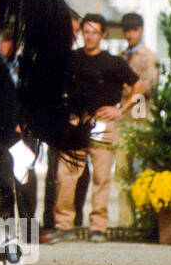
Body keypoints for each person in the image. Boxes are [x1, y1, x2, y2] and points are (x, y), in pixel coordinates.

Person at [44, 14, 139, 243]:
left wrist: (120, 109)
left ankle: (98, 226)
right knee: (65, 174)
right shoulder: (71, 59)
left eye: (94, 32)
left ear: (103, 35)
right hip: (76, 122)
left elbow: (139, 86)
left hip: (102, 123)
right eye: (86, 31)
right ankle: (65, 224)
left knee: (101, 176)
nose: (89, 36)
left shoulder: (114, 63)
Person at [0, 29, 39, 231]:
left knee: (26, 179)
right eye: (7, 40)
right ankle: (4, 228)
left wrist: (29, 122)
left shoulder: (27, 66)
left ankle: (29, 227)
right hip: (0, 134)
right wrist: (12, 123)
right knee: (1, 181)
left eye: (15, 41)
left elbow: (35, 97)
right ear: (0, 41)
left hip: (26, 134)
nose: (10, 45)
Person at [114, 12, 158, 227]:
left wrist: (125, 103)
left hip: (141, 121)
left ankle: (146, 221)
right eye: (127, 29)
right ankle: (126, 222)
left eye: (134, 29)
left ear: (141, 30)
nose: (130, 34)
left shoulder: (149, 57)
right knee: (122, 172)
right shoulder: (121, 57)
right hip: (123, 123)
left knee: (142, 171)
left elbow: (147, 86)